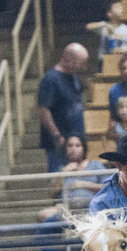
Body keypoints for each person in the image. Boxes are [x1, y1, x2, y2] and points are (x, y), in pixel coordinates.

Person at [37, 43, 88, 172]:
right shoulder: (51, 79)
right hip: (60, 143)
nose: (83, 67)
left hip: (77, 139)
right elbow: (43, 110)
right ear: (68, 58)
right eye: (80, 62)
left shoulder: (74, 77)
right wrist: (56, 134)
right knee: (60, 181)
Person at [39, 135, 109, 221]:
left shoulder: (95, 165)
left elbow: (108, 188)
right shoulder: (62, 169)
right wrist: (63, 172)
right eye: (70, 146)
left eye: (77, 146)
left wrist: (85, 185)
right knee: (42, 215)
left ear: (84, 148)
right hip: (67, 209)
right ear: (66, 149)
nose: (73, 149)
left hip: (91, 207)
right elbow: (52, 194)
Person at [87, 1, 127, 68]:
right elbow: (88, 26)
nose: (120, 10)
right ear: (109, 13)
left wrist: (122, 50)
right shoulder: (103, 27)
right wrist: (104, 24)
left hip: (121, 61)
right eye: (117, 7)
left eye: (121, 8)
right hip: (104, 61)